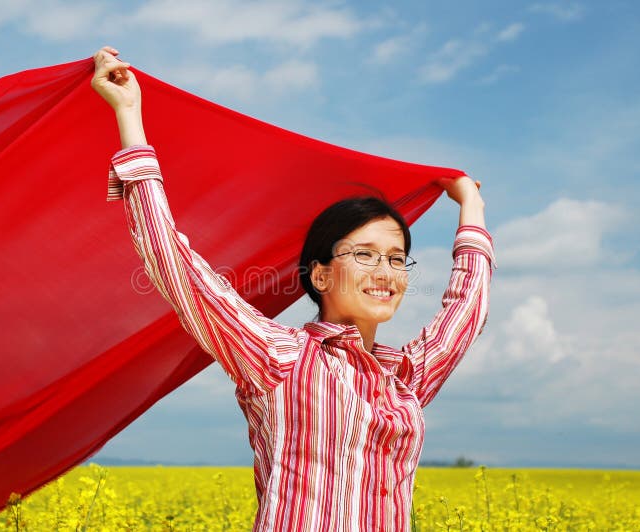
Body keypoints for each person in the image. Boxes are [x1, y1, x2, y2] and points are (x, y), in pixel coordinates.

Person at [92, 46, 495, 531]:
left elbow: (465, 311)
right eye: (364, 255)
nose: (385, 272)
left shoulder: (403, 380)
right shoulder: (277, 357)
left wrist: (470, 204)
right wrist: (129, 116)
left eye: (395, 258)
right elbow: (175, 266)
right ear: (321, 275)